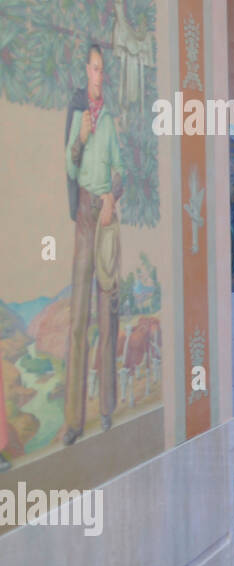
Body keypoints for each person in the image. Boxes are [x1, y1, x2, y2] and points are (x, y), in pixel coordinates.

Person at [63, 43, 122, 445]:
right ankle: (73, 421)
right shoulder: (80, 116)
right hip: (85, 219)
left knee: (108, 312)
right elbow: (69, 164)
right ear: (87, 71)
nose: (98, 75)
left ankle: (106, 410)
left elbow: (121, 169)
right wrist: (80, 139)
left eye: (103, 69)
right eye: (94, 68)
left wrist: (112, 198)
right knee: (78, 319)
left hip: (106, 218)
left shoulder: (112, 121)